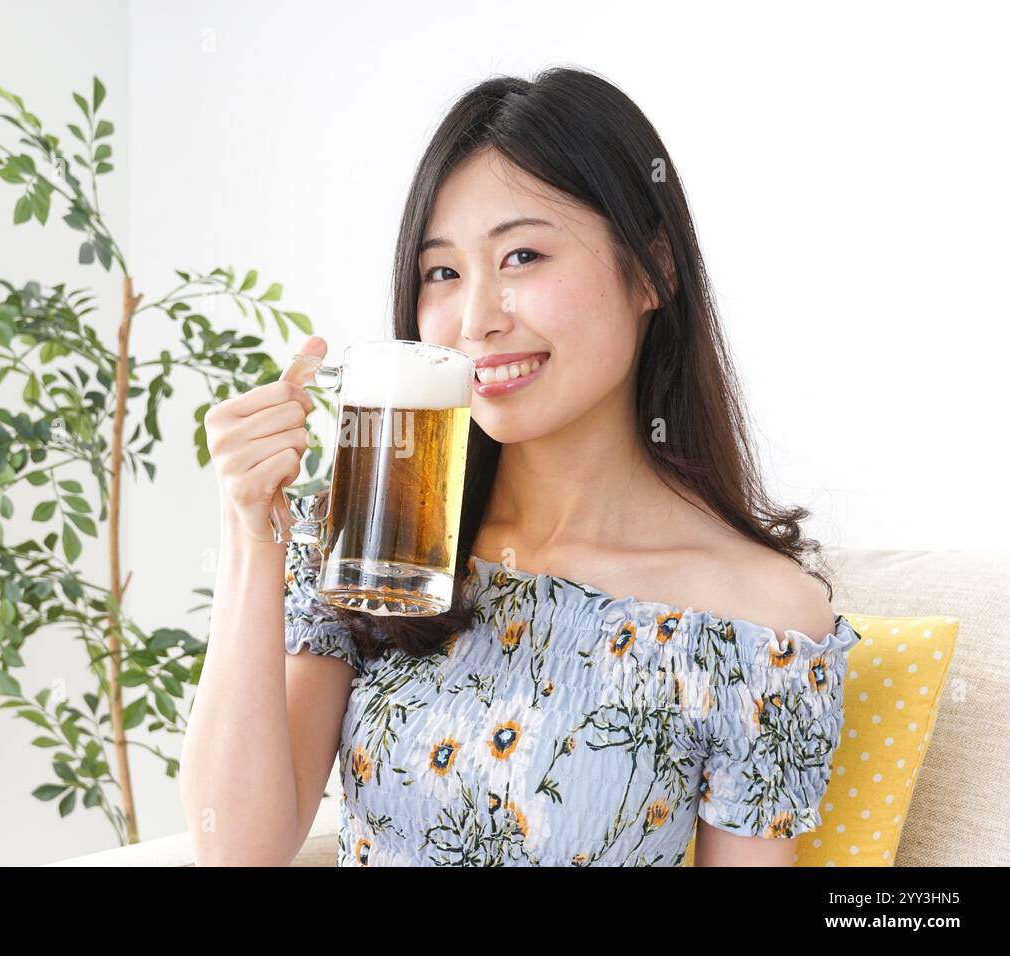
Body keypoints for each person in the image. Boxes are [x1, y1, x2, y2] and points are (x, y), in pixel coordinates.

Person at [179, 66, 861, 866]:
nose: (475, 321)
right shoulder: (377, 542)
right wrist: (249, 530)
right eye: (443, 272)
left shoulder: (757, 621)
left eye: (523, 256)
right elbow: (240, 849)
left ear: (654, 271)